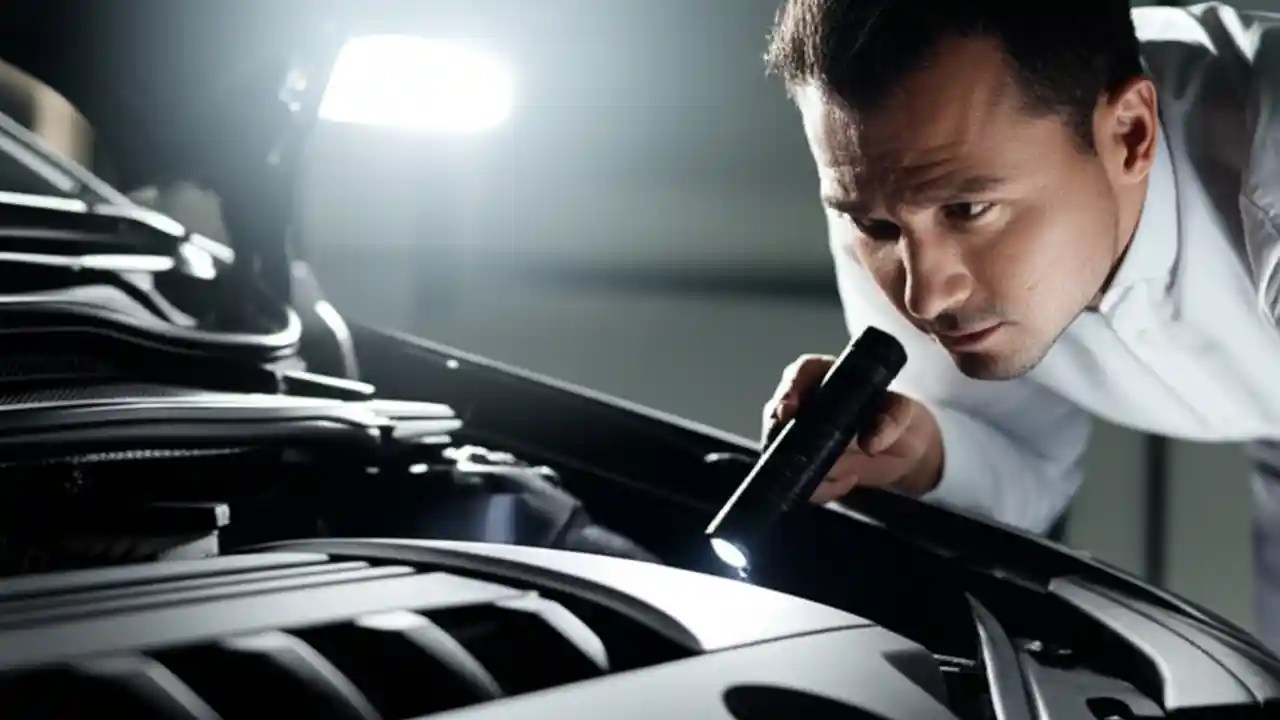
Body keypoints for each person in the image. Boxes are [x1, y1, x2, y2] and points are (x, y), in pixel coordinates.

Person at [759, 1, 1280, 652]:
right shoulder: (893, 193)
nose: (924, 295)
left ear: (1130, 134)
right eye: (875, 226)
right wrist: (921, 453)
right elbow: (1028, 470)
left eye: (968, 208)